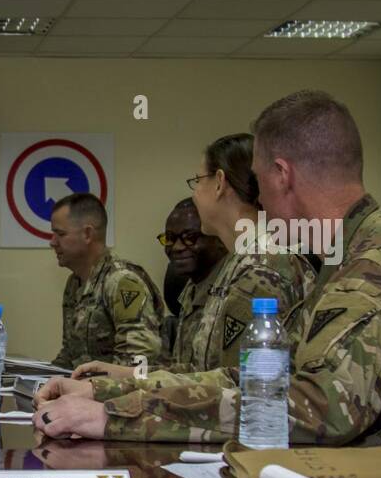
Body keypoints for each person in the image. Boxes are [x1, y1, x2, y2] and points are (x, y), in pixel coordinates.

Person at [34, 90, 381, 473]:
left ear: (282, 174)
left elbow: (318, 411)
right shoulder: (346, 257)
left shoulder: (377, 270)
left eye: (257, 179)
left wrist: (118, 417)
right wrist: (110, 391)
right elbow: (259, 377)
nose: (256, 198)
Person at [74, 135, 314, 382]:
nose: (196, 194)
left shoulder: (263, 269)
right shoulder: (238, 263)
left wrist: (112, 393)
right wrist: (130, 375)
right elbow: (205, 373)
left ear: (219, 183)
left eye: (198, 181)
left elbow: (237, 387)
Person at [49, 193, 164, 369]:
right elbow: (70, 356)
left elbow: (137, 361)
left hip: (118, 393)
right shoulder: (75, 283)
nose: (52, 242)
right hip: (85, 390)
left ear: (87, 234)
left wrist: (90, 388)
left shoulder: (121, 281)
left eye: (60, 234)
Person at [158, 198, 227, 355]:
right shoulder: (191, 289)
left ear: (219, 239)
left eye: (190, 237)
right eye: (170, 238)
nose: (177, 247)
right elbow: (185, 370)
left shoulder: (231, 291)